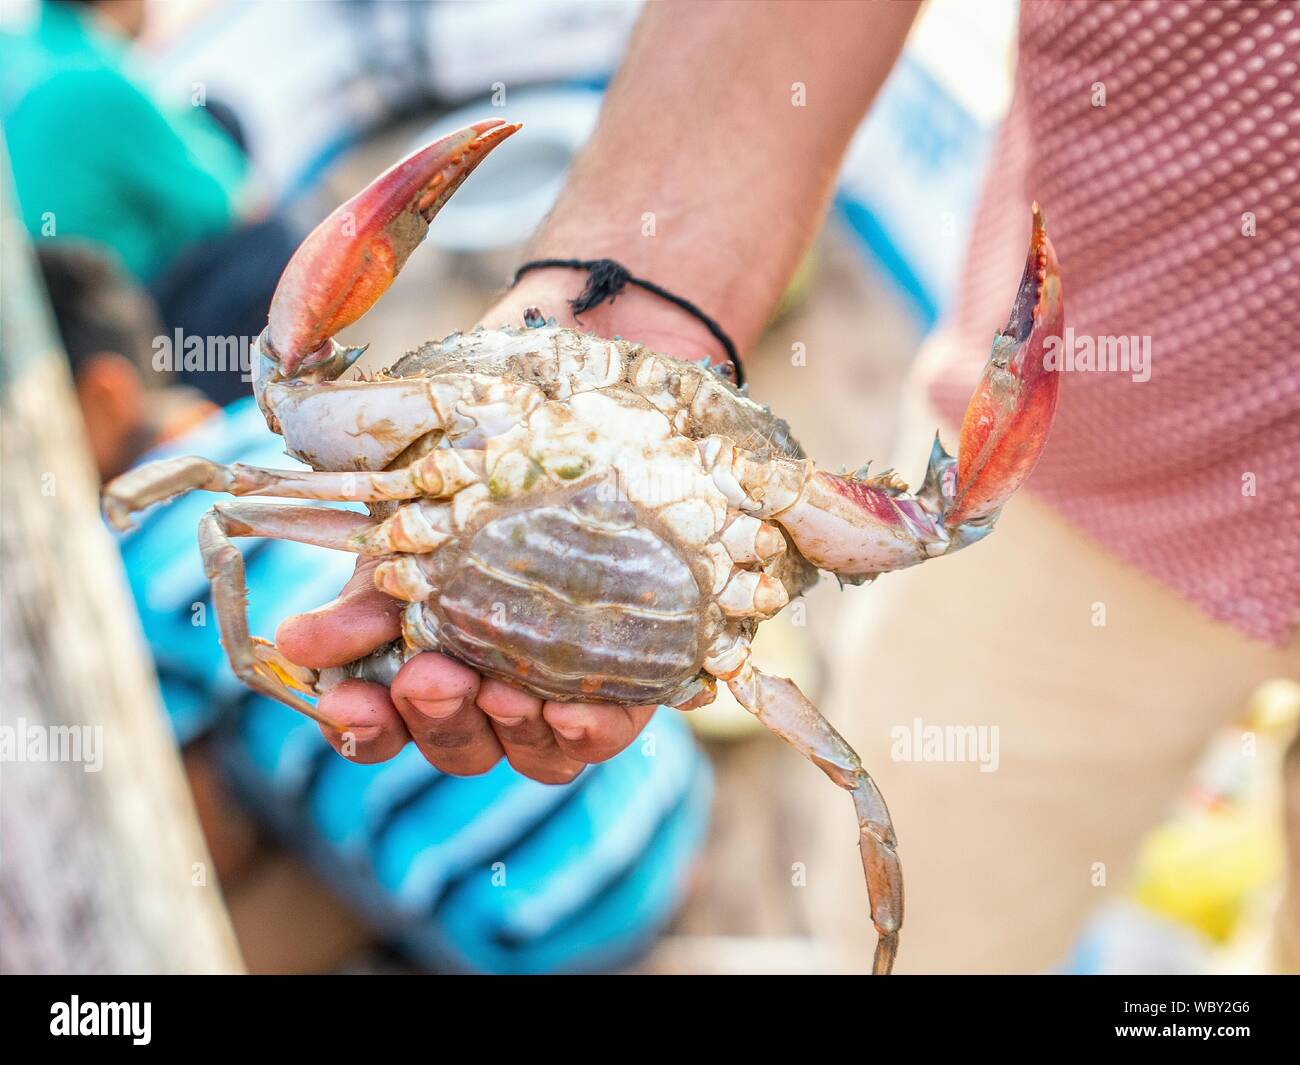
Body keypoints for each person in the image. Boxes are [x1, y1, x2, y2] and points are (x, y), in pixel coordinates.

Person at [281, 0, 1300, 972]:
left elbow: (291, 401)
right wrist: (640, 264)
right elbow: (937, 523)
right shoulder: (756, 513)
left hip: (1093, 467)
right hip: (1094, 488)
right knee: (947, 897)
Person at [39, 243, 711, 973]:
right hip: (670, 805)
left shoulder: (119, 577)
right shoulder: (288, 433)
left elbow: (208, 838)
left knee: (214, 803)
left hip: (534, 936)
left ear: (103, 398)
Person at [1, 0, 300, 405]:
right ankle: (255, 410)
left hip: (50, 329)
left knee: (212, 119)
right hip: (116, 336)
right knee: (270, 246)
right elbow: (240, 202)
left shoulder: (23, 51)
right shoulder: (94, 76)